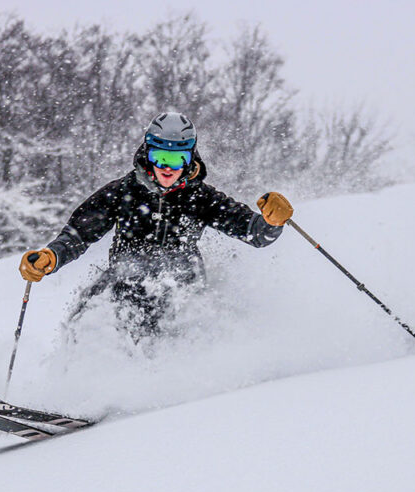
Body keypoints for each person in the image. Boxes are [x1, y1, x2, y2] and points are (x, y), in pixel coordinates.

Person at [19, 111, 293, 339]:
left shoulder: (202, 198)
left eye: (177, 159)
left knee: (156, 313)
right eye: (161, 157)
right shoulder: (123, 192)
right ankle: (73, 386)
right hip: (123, 280)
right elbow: (79, 233)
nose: (168, 168)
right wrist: (52, 256)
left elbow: (254, 233)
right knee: (87, 311)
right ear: (148, 154)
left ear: (190, 159)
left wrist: (271, 223)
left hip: (179, 287)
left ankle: (160, 388)